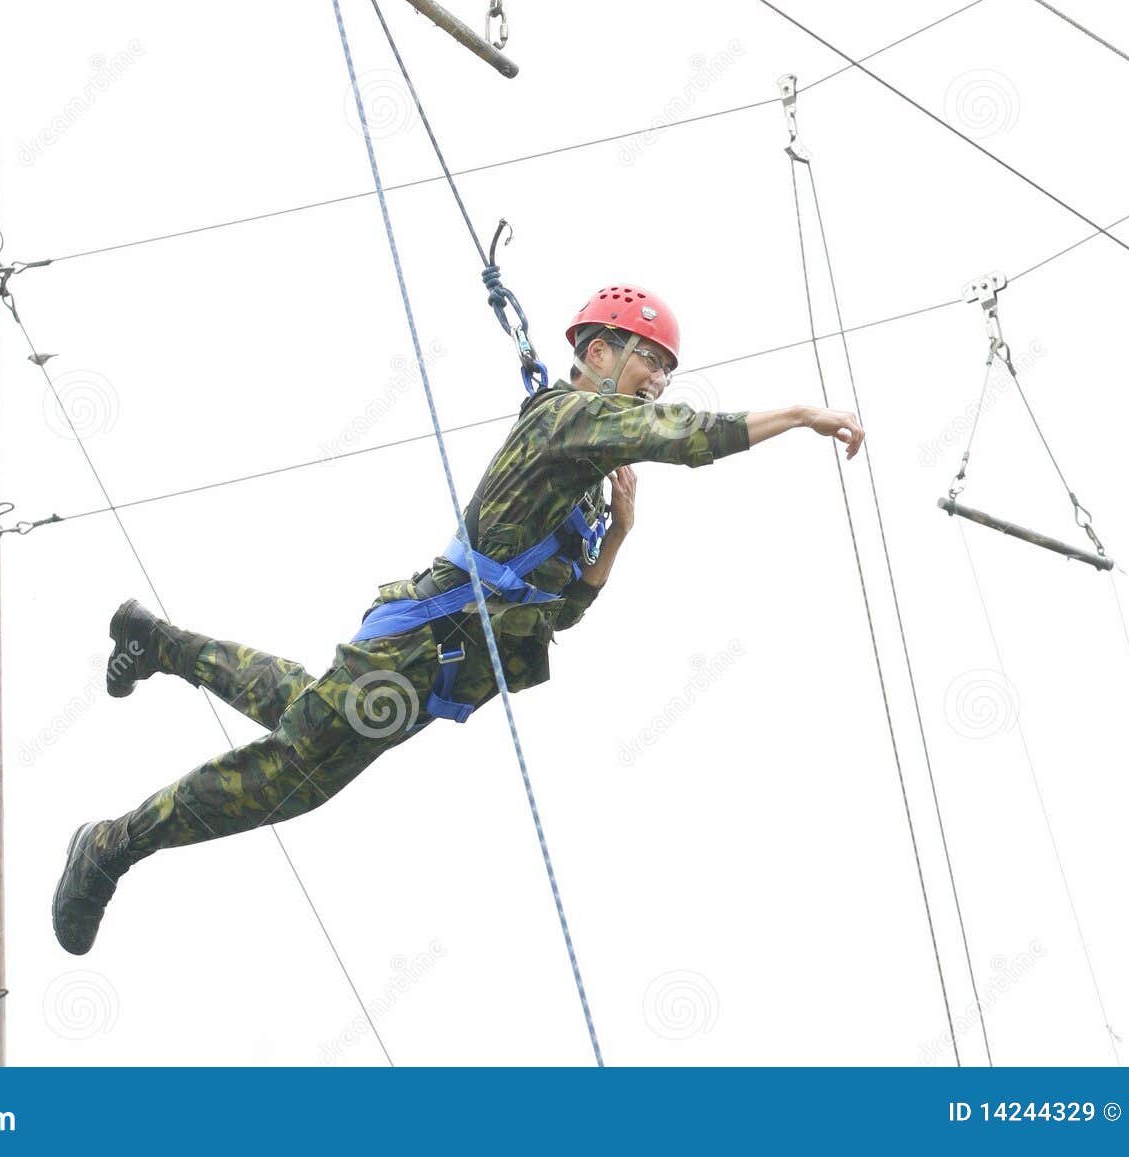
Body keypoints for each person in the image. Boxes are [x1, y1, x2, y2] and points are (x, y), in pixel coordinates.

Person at [53, 284, 865, 954]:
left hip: (427, 665)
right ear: (597, 353)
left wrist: (616, 536)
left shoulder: (586, 485)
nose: (659, 377)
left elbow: (559, 614)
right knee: (292, 768)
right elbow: (684, 435)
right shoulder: (565, 418)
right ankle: (112, 845)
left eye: (666, 367)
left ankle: (153, 639)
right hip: (417, 647)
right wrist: (797, 415)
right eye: (648, 357)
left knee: (301, 717)